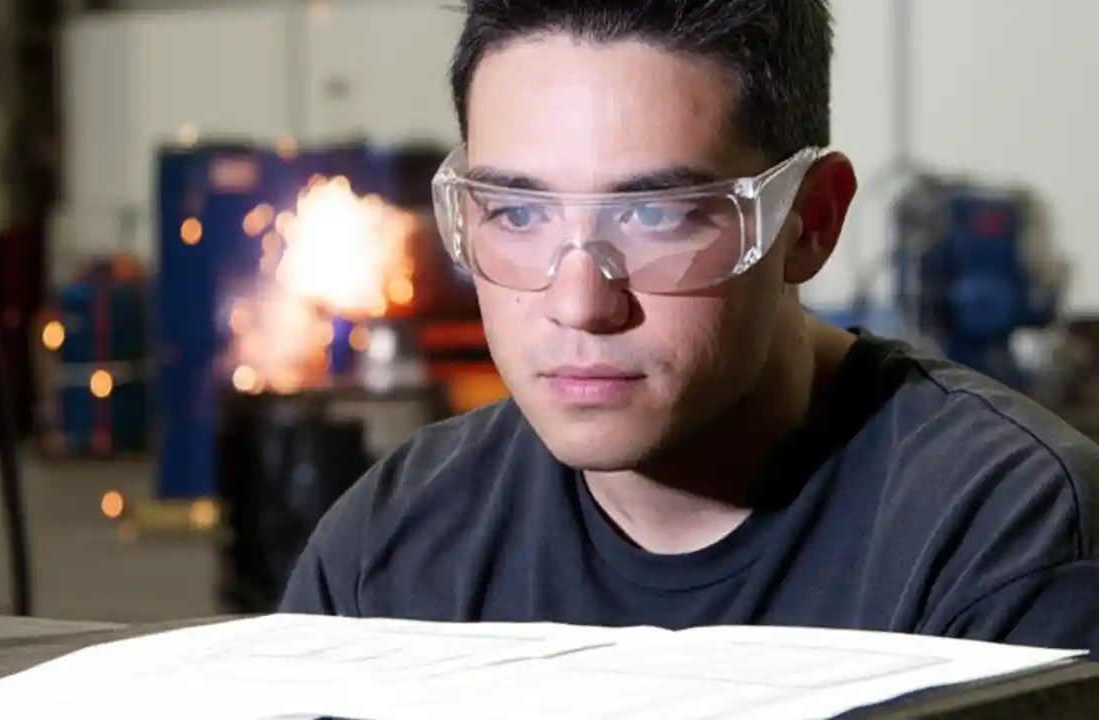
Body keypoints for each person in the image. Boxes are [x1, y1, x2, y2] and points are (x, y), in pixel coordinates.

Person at [279, 0, 1099, 654]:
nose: (579, 303)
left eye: (654, 214)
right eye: (518, 211)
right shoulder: (391, 551)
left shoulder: (1002, 542)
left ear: (808, 222)